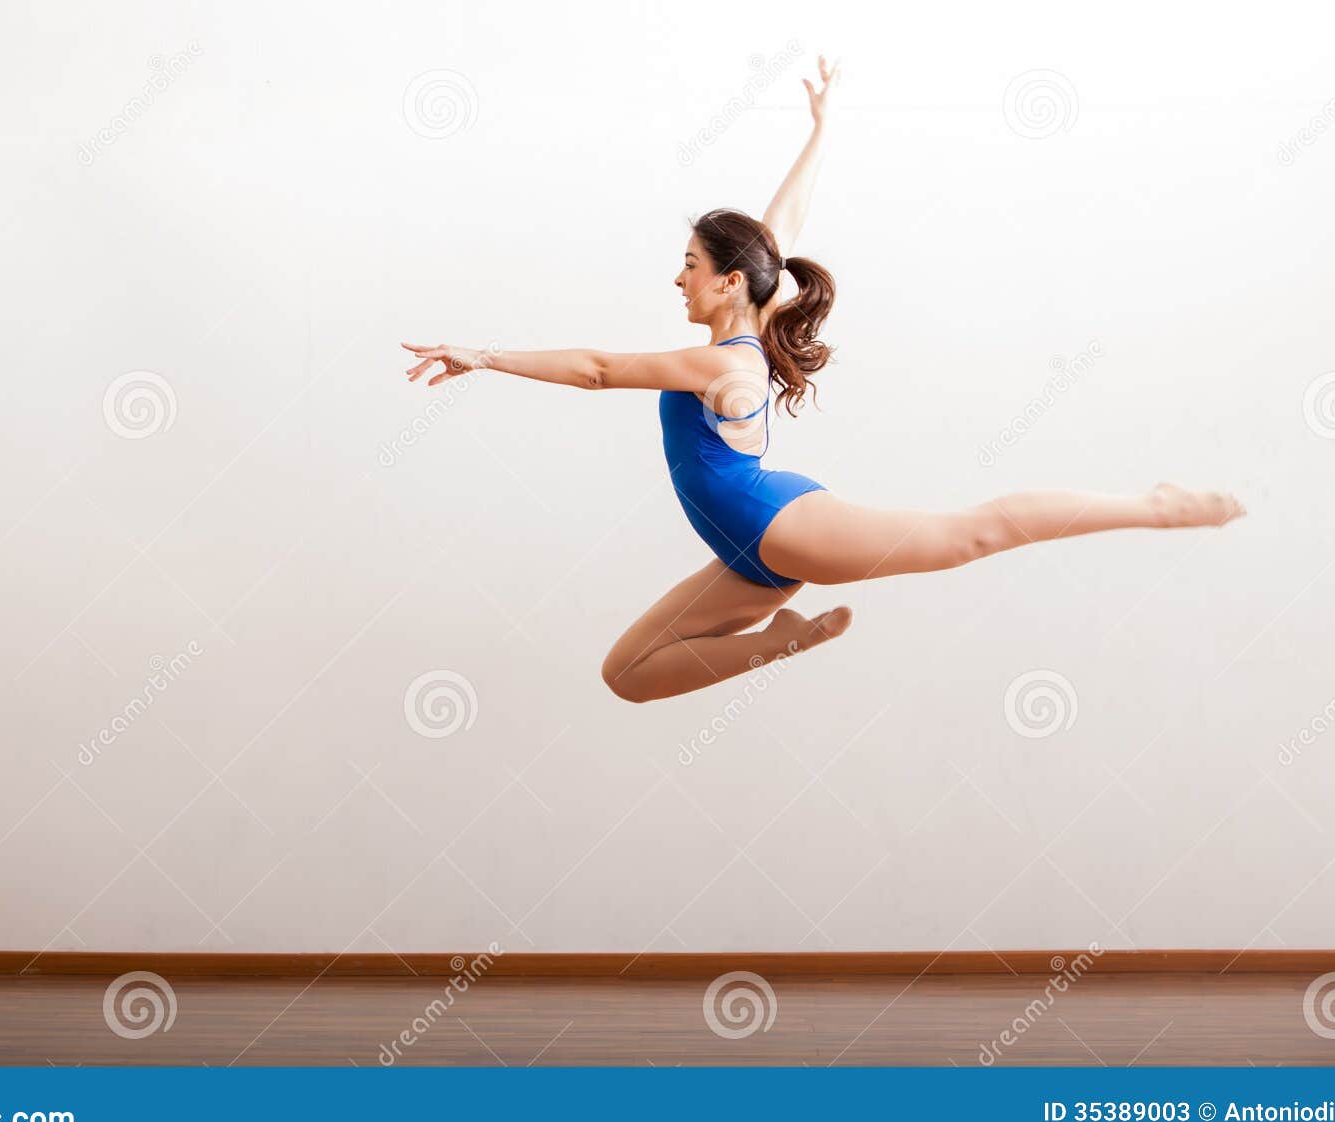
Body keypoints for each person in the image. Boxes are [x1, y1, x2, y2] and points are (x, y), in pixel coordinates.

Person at [402, 56, 1244, 703]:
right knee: (627, 673)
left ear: (730, 280)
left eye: (689, 264)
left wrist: (484, 356)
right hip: (744, 554)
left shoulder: (720, 362)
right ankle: (785, 641)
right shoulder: (752, 320)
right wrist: (821, 126)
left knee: (970, 533)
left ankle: (1156, 506)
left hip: (781, 524)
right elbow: (785, 224)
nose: (678, 279)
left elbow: (597, 371)